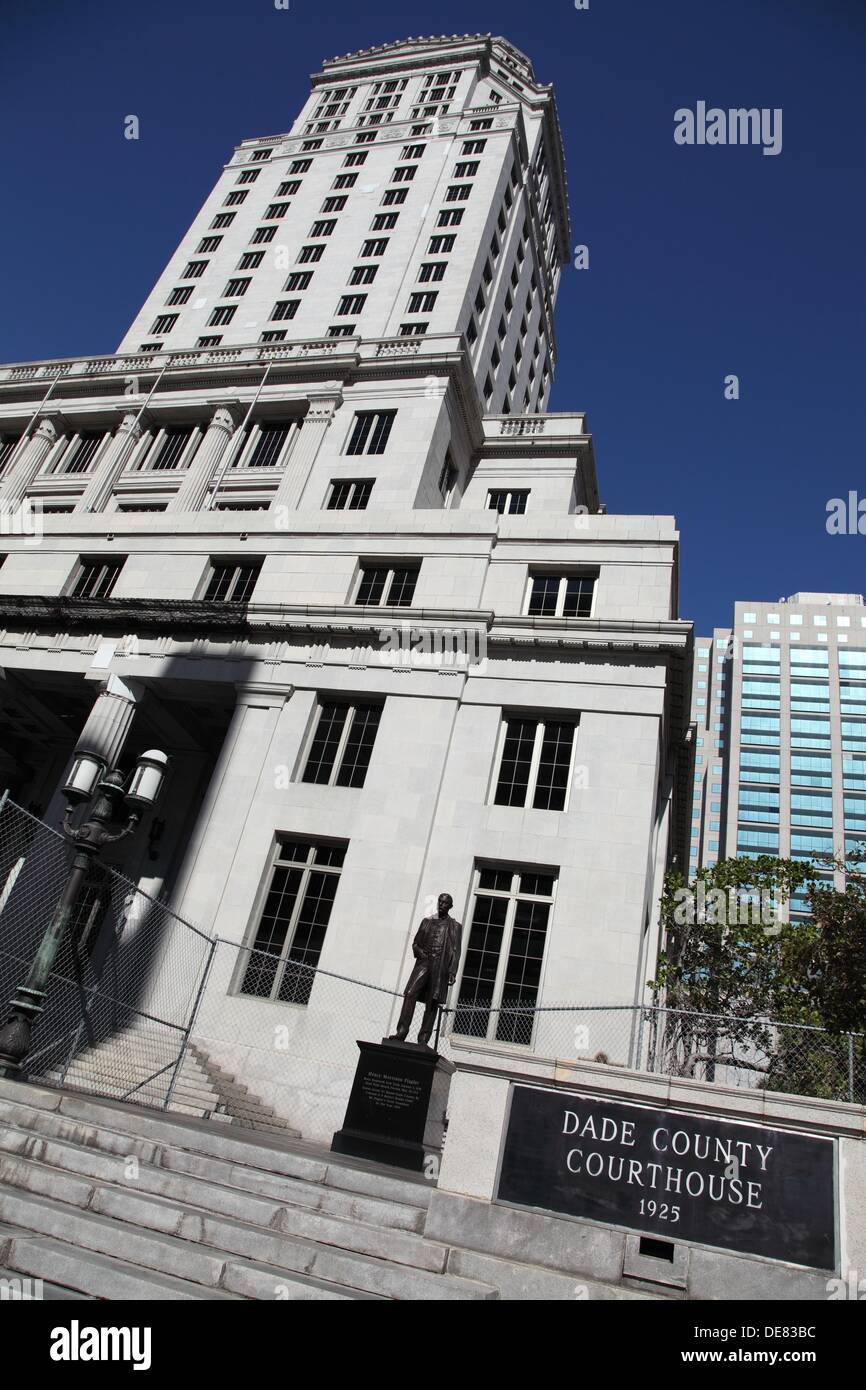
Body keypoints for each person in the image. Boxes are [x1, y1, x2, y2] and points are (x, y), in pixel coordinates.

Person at [390, 893, 462, 1046]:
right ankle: (401, 1031)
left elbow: (456, 950)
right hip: (424, 963)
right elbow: (415, 943)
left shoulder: (455, 926)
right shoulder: (426, 922)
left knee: (432, 1001)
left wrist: (452, 971)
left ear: (450, 906)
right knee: (410, 993)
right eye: (440, 902)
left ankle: (423, 1038)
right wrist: (419, 952)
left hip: (440, 966)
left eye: (445, 903)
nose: (441, 905)